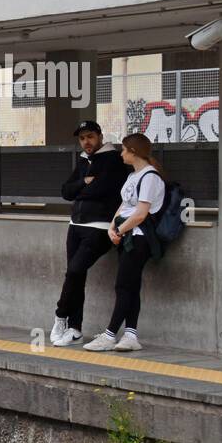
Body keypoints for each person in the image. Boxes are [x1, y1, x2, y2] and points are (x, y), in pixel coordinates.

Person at [82, 133, 166, 352]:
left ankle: (109, 335)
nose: (121, 153)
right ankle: (130, 335)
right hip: (126, 235)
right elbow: (124, 205)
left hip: (139, 239)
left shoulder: (150, 177)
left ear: (134, 152)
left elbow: (140, 214)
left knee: (123, 285)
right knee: (131, 286)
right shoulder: (133, 177)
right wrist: (112, 227)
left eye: (124, 150)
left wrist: (118, 229)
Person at [50, 121, 130, 346]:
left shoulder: (113, 160)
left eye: (90, 137)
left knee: (74, 271)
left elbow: (103, 190)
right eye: (82, 138)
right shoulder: (84, 161)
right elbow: (66, 191)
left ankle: (60, 315)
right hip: (75, 225)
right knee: (76, 276)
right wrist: (84, 182)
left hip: (100, 228)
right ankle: (75, 329)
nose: (86, 142)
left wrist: (81, 190)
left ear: (100, 136)